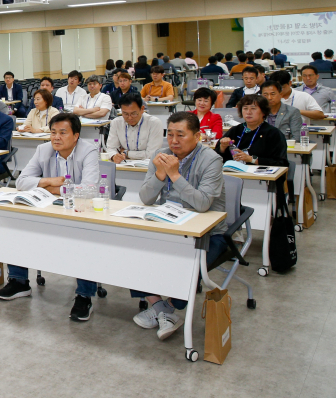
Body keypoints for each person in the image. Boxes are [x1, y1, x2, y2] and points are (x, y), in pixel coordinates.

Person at [0, 113, 100, 322]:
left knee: (86, 237)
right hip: (48, 208)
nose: (56, 138)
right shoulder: (43, 149)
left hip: (79, 212)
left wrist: (54, 189)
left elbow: (90, 189)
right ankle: (19, 282)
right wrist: (49, 181)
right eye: (53, 132)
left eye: (63, 132)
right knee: (16, 224)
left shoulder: (88, 150)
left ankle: (84, 295)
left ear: (76, 135)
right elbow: (22, 181)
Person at [130, 112, 226, 341]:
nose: (173, 141)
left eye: (180, 135)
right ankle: (162, 308)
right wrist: (160, 175)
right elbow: (145, 198)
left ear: (197, 136)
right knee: (130, 249)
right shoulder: (160, 155)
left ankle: (171, 307)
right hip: (169, 225)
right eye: (170, 134)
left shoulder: (211, 159)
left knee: (186, 264)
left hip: (207, 232)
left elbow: (203, 203)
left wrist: (174, 175)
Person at [217, 95, 289, 173]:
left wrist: (252, 160)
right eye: (245, 108)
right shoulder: (235, 130)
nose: (248, 112)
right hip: (233, 174)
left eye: (253, 108)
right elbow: (216, 158)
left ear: (263, 112)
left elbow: (282, 163)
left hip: (261, 177)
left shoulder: (273, 133)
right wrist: (222, 147)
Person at [106, 93, 164, 162]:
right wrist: (114, 156)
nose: (130, 118)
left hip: (147, 167)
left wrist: (126, 153)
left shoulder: (154, 123)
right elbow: (111, 148)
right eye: (125, 114)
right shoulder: (116, 122)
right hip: (123, 164)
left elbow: (152, 154)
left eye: (134, 113)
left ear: (142, 109)